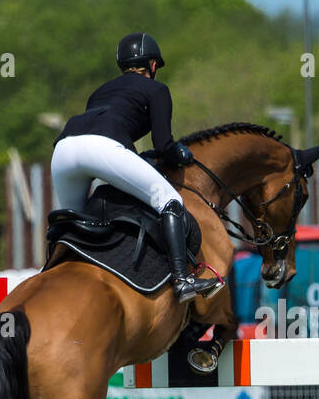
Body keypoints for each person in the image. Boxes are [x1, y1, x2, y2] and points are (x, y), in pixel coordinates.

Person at [51, 32, 220, 302]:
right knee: (170, 202)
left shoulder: (99, 91)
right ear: (153, 66)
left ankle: (49, 273)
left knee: (72, 221)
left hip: (63, 149)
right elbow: (164, 144)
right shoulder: (157, 90)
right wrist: (182, 153)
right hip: (102, 147)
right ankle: (183, 279)